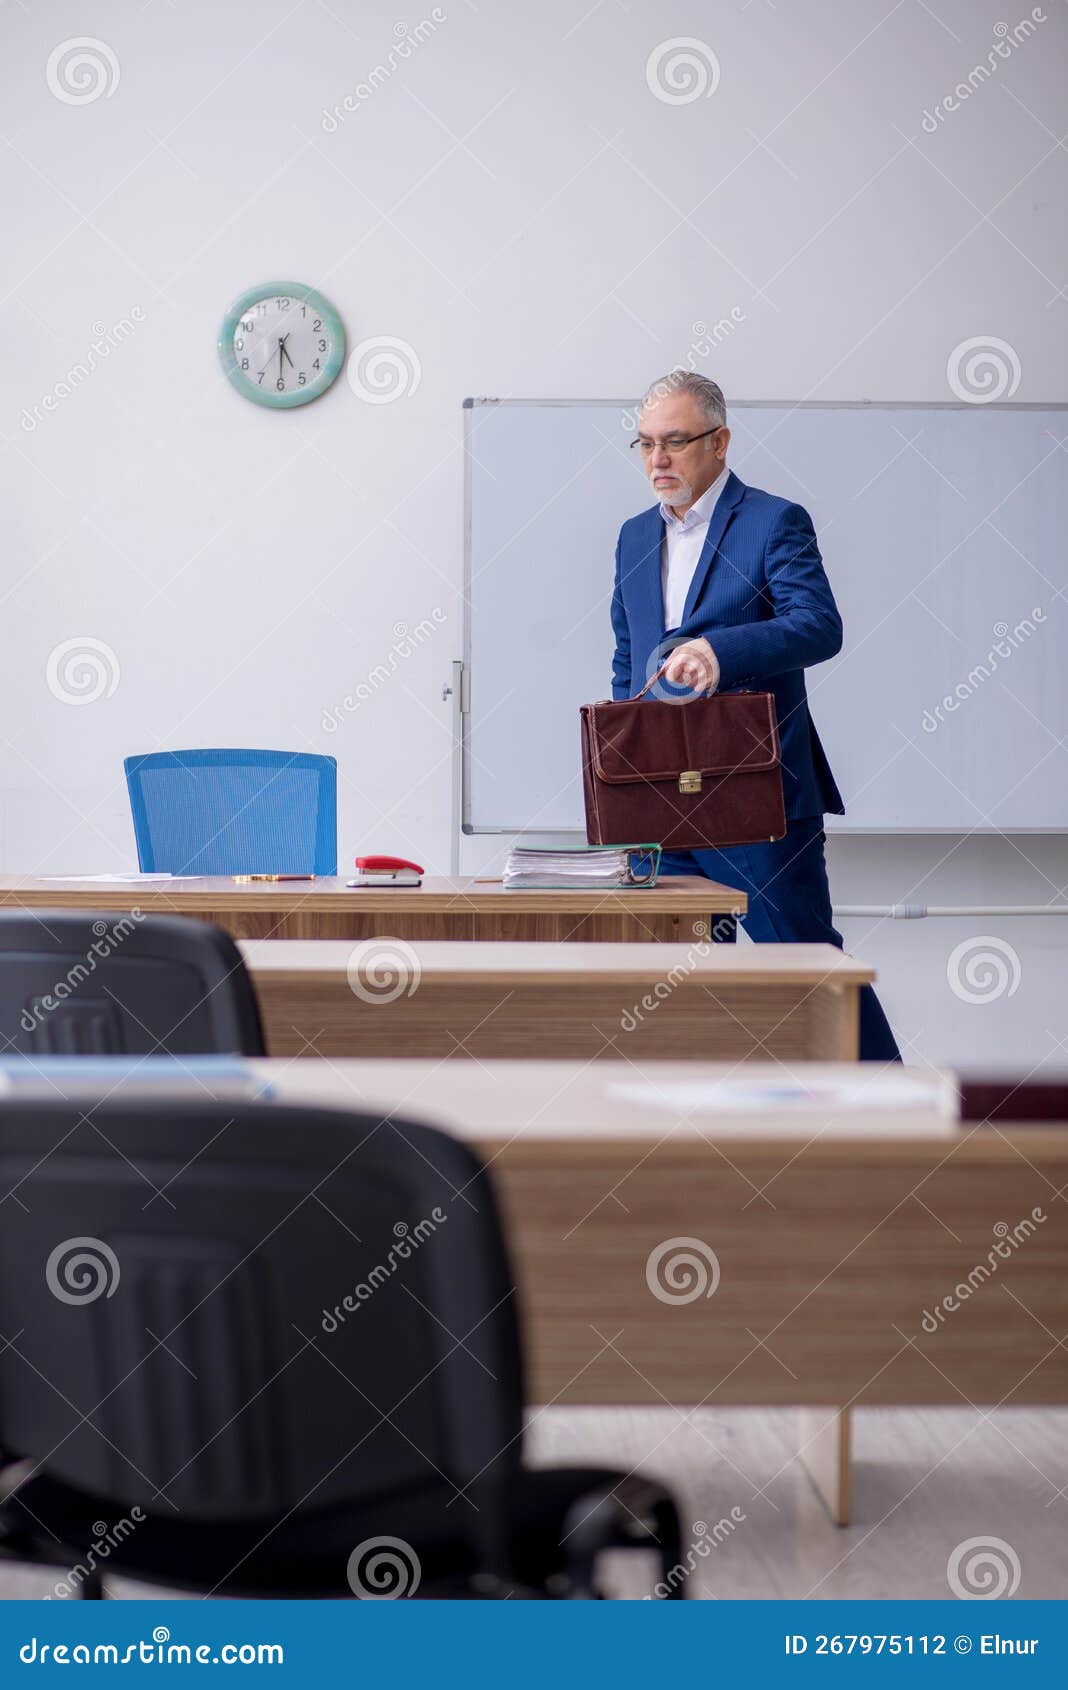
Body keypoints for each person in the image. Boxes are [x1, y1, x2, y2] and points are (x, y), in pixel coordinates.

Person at [610, 370, 900, 1062]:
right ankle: (720, 1120)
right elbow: (630, 659)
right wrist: (623, 776)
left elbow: (818, 626)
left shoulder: (774, 521)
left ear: (720, 441)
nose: (657, 460)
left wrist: (720, 650)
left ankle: (895, 1102)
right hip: (662, 804)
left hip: (757, 795)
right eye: (646, 443)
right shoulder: (630, 537)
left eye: (675, 441)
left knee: (805, 964)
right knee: (683, 981)